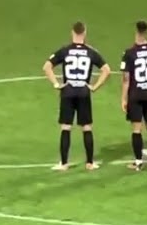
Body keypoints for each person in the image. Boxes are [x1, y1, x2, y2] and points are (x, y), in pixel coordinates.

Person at [42, 22, 110, 171]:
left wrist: (56, 84)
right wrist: (94, 87)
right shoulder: (91, 52)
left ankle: (64, 164)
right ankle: (90, 163)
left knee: (66, 127)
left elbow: (47, 66)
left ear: (72, 33)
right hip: (83, 92)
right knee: (86, 127)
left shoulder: (65, 50)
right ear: (84, 33)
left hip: (68, 91)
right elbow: (106, 70)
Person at [119, 20, 147, 170]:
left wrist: (123, 99)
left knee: (137, 129)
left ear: (136, 31)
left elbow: (126, 79)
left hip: (135, 95)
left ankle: (138, 162)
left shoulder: (129, 53)